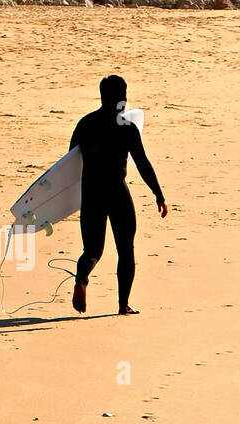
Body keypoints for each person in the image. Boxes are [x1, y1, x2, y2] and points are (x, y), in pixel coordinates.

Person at [68, 75, 167, 315]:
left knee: (92, 250)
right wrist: (158, 194)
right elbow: (142, 163)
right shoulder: (127, 129)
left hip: (91, 192)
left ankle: (81, 278)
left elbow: (68, 164)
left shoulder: (85, 124)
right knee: (126, 249)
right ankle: (123, 305)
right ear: (122, 98)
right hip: (116, 192)